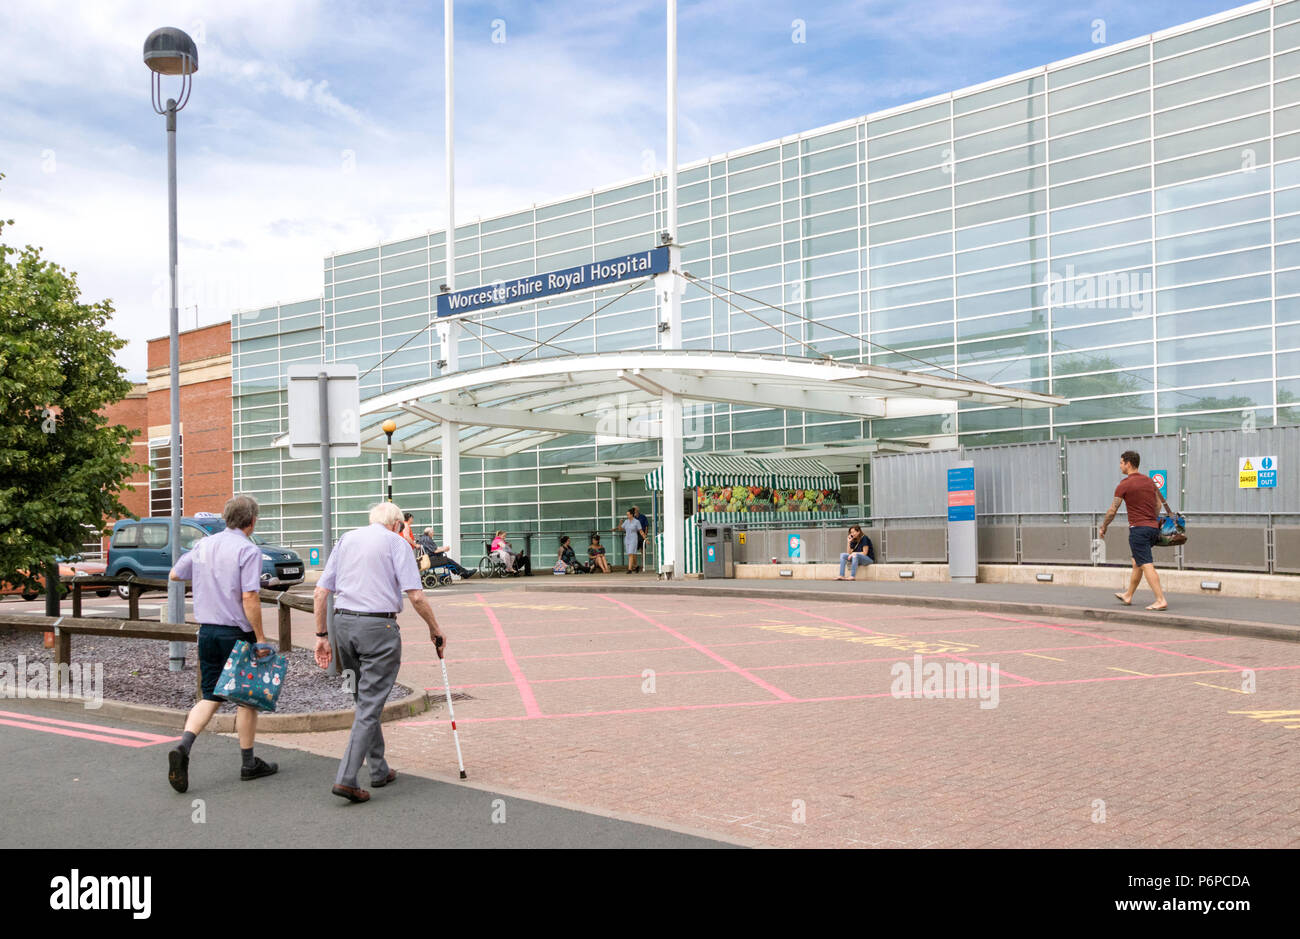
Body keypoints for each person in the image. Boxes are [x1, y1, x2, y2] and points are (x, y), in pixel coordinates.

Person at [314, 502, 448, 804]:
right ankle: (346, 778)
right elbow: (415, 594)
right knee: (370, 703)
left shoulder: (346, 539)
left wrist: (322, 636)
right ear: (397, 524)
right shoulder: (397, 543)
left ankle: (378, 769)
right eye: (402, 526)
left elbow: (320, 592)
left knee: (361, 697)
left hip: (343, 630)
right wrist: (434, 629)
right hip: (379, 632)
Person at [165, 494, 278, 793]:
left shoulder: (204, 544)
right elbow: (250, 597)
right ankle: (248, 763)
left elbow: (175, 574)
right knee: (246, 698)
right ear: (252, 521)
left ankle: (184, 746)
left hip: (207, 631)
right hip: (235, 634)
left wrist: (208, 581)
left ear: (227, 519)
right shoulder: (248, 550)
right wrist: (261, 638)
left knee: (211, 695)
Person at [1100, 449, 1169, 612]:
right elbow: (1158, 505)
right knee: (1137, 562)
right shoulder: (1149, 482)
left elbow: (1112, 510)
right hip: (1153, 528)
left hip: (1138, 530)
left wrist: (1104, 526)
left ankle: (1160, 599)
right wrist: (1151, 520)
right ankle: (1128, 595)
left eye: (1121, 462)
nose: (1120, 466)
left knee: (1146, 564)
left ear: (1128, 464)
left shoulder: (1124, 484)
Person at [617, 509, 643, 573]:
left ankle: (630, 569)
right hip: (627, 539)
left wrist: (645, 538)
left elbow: (640, 531)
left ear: (631, 515)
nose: (627, 516)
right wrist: (620, 522)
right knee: (632, 554)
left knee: (630, 554)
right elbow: (620, 529)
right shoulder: (626, 521)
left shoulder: (637, 522)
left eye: (628, 514)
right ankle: (636, 566)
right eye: (627, 515)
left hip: (633, 539)